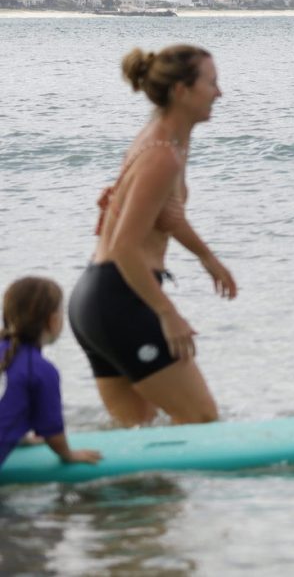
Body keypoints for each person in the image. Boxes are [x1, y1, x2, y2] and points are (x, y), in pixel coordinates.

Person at [70, 46, 237, 428]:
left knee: (138, 432)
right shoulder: (162, 154)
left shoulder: (164, 139)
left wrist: (206, 257)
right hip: (122, 299)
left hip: (97, 298)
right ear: (181, 90)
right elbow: (124, 245)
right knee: (200, 417)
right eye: (211, 82)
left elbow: (164, 216)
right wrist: (168, 313)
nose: (219, 92)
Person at [2, 276, 102, 471]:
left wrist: (18, 437)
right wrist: (69, 455)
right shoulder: (40, 369)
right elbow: (52, 432)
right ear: (54, 321)